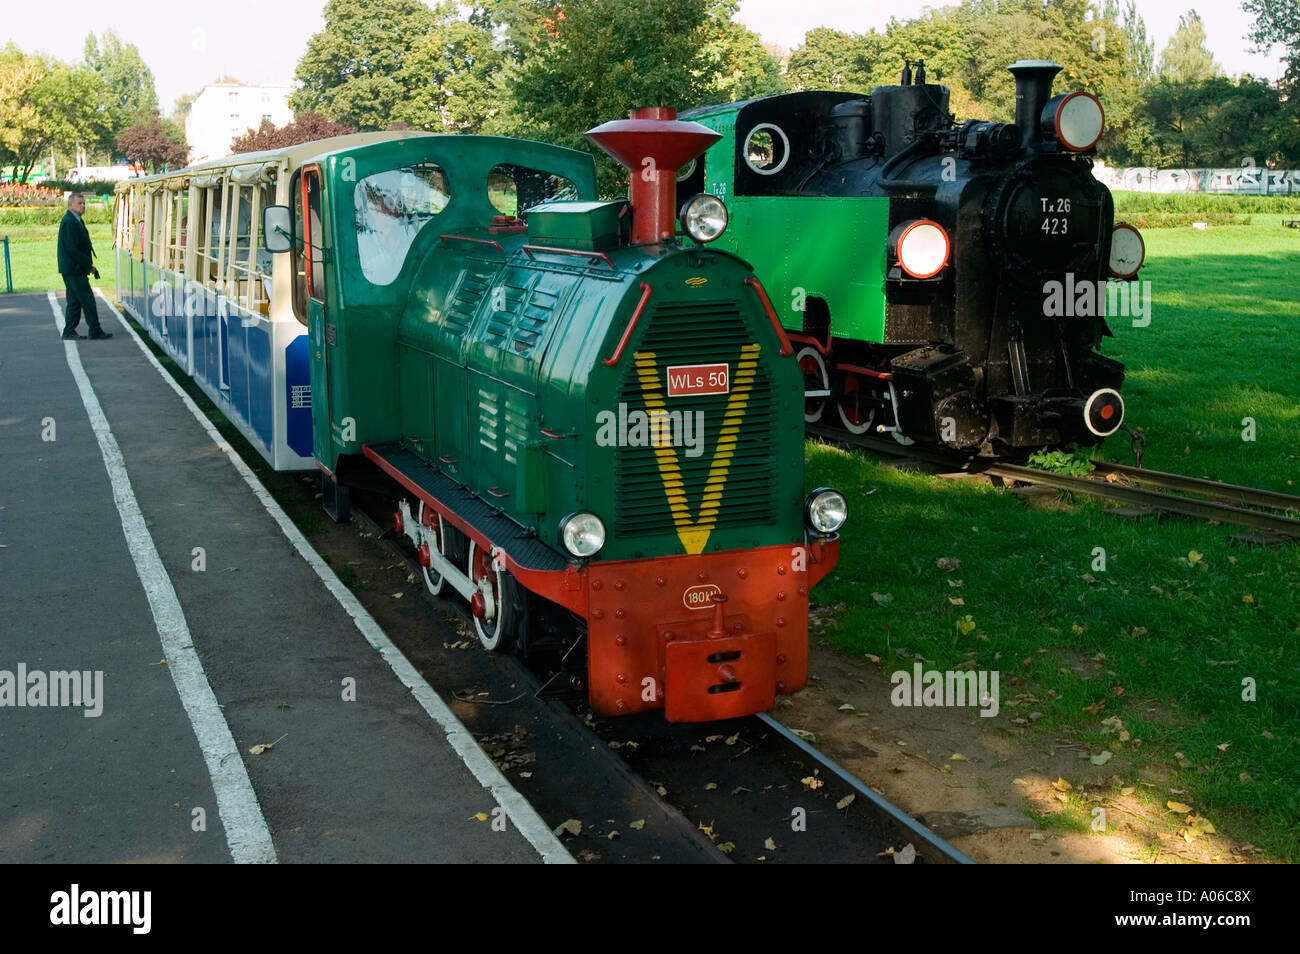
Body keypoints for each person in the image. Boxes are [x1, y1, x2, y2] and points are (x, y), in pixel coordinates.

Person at [57, 193, 111, 340]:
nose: (83, 206)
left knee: (74, 301)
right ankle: (95, 330)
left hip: (73, 268)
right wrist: (87, 264)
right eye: (80, 203)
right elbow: (71, 248)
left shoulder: (76, 220)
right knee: (87, 300)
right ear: (71, 205)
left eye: (84, 203)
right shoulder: (70, 222)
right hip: (74, 269)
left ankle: (69, 331)